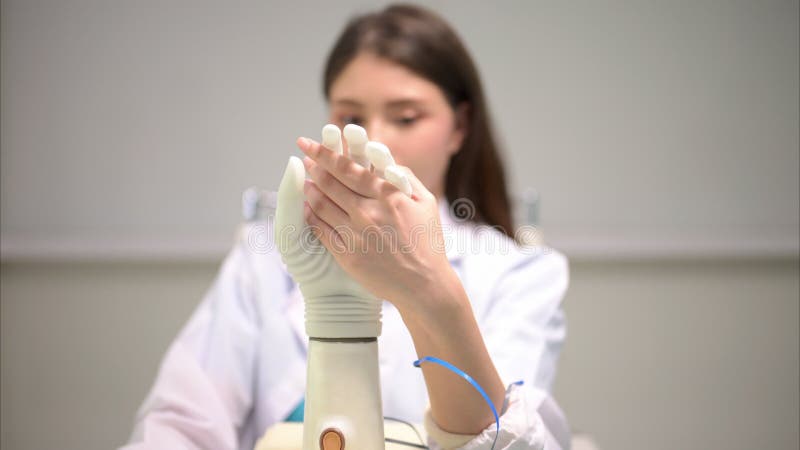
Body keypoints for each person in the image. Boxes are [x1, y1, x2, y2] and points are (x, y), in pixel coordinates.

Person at [123, 4, 570, 450]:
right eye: (351, 119)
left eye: (406, 118)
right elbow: (181, 424)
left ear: (460, 127)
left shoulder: (519, 273)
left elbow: (508, 441)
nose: (375, 139)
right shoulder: (265, 259)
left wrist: (428, 290)